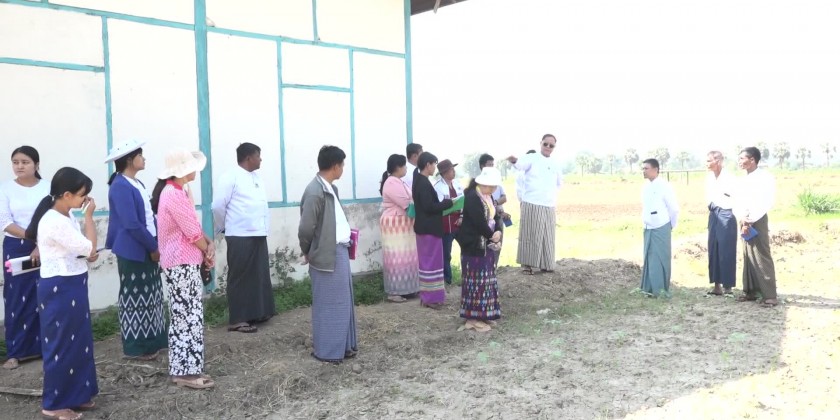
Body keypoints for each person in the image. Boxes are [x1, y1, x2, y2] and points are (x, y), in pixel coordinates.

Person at [25, 167, 99, 420]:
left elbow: (82, 250)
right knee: (61, 344)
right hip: (60, 287)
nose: (84, 200)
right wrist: (90, 217)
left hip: (72, 282)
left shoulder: (66, 217)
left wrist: (87, 249)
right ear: (66, 194)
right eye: (81, 195)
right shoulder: (54, 221)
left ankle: (77, 394)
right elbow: (89, 247)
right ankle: (54, 403)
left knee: (78, 341)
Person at [152, 148, 216, 389]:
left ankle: (187, 368)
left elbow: (193, 228)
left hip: (182, 261)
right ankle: (185, 372)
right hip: (181, 262)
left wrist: (206, 245)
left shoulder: (177, 191)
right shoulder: (174, 194)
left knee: (187, 314)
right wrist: (206, 247)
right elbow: (192, 232)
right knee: (186, 316)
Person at [104, 139, 167, 360]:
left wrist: (158, 242)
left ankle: (154, 341)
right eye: (141, 155)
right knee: (136, 297)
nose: (144, 158)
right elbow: (131, 223)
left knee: (151, 295)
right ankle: (137, 346)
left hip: (147, 246)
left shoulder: (136, 183)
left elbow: (149, 217)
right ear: (130, 160)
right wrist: (152, 246)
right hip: (134, 249)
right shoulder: (120, 186)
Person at [299, 146, 358, 363]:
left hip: (339, 252)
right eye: (342, 165)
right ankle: (328, 352)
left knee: (343, 302)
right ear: (335, 166)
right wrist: (308, 251)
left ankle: (343, 347)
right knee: (330, 304)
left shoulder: (330, 188)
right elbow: (306, 229)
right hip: (326, 255)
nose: (343, 169)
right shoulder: (315, 191)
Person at [212, 142, 274, 333]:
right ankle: (238, 319)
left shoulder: (257, 178)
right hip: (239, 234)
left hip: (258, 233)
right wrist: (224, 227)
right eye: (258, 155)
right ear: (248, 157)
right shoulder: (230, 177)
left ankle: (258, 313)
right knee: (240, 276)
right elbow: (217, 207)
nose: (260, 159)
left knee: (259, 275)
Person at [1, 146, 48, 370]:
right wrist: (31, 238)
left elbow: (56, 215)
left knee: (45, 295)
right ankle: (16, 352)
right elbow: (5, 222)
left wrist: (41, 242)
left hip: (48, 245)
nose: (20, 166)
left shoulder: (48, 188)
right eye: (16, 162)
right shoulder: (5, 189)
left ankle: (46, 347)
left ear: (36, 165)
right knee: (16, 297)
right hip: (17, 246)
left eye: (25, 162)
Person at [506, 135, 563, 274]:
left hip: (549, 204)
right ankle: (527, 265)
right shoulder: (532, 158)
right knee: (531, 234)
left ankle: (546, 264)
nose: (548, 147)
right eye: (546, 144)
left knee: (547, 235)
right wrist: (513, 160)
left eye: (551, 145)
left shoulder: (556, 163)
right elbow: (519, 164)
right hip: (532, 202)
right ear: (540, 143)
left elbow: (559, 183)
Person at [456, 167, 504, 332]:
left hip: (486, 246)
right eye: (490, 186)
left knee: (485, 282)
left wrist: (497, 230)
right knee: (475, 282)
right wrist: (492, 235)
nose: (492, 189)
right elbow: (479, 222)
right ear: (481, 183)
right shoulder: (472, 197)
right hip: (474, 246)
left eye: (494, 186)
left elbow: (495, 216)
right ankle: (472, 318)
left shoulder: (488, 196)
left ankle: (483, 314)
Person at [734, 147, 778, 307]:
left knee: (761, 255)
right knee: (747, 254)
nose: (739, 162)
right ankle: (750, 291)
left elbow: (767, 201)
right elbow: (736, 201)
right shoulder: (742, 179)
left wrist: (751, 219)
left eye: (741, 159)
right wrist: (741, 217)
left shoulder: (764, 178)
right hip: (743, 220)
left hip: (757, 220)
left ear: (752, 160)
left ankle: (770, 295)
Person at [412, 152, 453, 309]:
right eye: (434, 164)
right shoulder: (422, 183)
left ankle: (428, 296)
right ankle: (431, 298)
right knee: (432, 264)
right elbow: (429, 206)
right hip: (429, 228)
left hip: (425, 228)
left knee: (427, 264)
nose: (435, 167)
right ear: (427, 165)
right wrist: (447, 204)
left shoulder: (420, 180)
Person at [378, 154, 420, 302]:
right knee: (395, 257)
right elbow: (406, 202)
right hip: (395, 224)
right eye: (404, 166)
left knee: (408, 257)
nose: (406, 169)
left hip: (404, 224)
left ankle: (409, 288)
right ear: (398, 167)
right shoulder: (391, 183)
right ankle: (394, 291)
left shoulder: (399, 181)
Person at [640, 158, 679, 297]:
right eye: (643, 168)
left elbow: (673, 209)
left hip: (661, 226)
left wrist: (670, 225)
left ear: (656, 169)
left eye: (646, 168)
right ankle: (649, 288)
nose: (643, 171)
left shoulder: (664, 186)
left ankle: (661, 290)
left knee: (661, 258)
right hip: (648, 227)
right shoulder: (645, 187)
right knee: (649, 257)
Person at [704, 150, 738, 297]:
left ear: (717, 161)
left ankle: (728, 286)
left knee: (726, 249)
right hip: (714, 214)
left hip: (727, 213)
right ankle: (716, 285)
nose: (706, 164)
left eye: (709, 160)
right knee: (713, 248)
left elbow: (736, 198)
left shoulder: (730, 178)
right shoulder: (709, 178)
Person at [432, 159, 463, 285]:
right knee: (446, 253)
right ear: (444, 173)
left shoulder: (457, 184)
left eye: (453, 169)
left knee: (467, 248)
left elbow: (463, 201)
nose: (453, 171)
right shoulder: (437, 187)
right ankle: (447, 279)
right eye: (451, 169)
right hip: (446, 224)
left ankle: (466, 276)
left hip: (460, 222)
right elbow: (439, 206)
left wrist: (462, 216)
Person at [478, 153, 511, 267]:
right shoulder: (478, 186)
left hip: (498, 215)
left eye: (493, 164)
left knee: (497, 242)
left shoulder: (497, 183)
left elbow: (504, 197)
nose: (492, 167)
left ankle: (494, 265)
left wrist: (495, 203)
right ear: (482, 166)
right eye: (489, 165)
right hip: (484, 220)